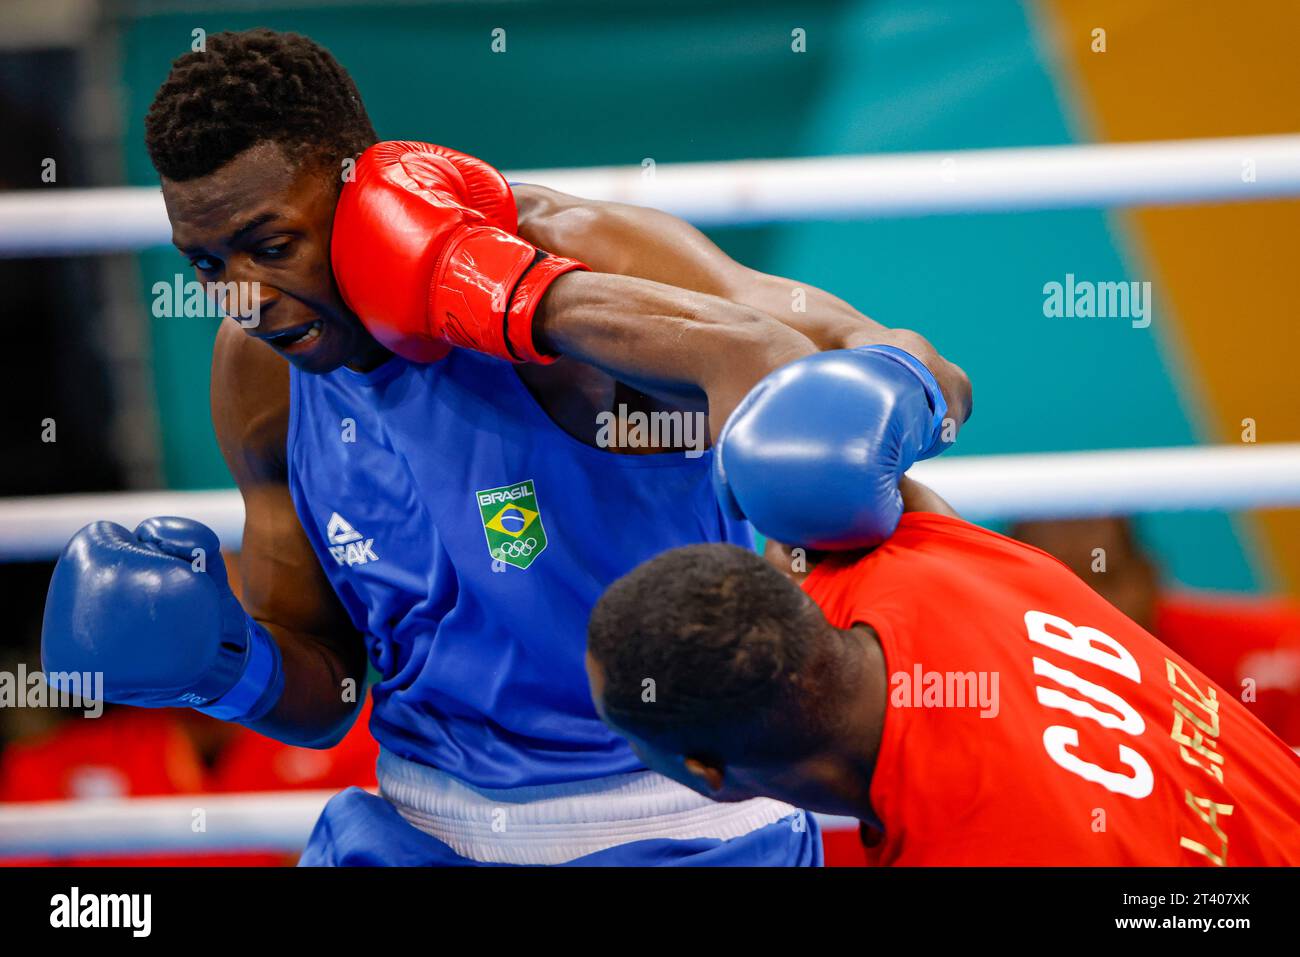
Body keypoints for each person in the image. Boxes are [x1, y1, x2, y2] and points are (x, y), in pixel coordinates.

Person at [40, 29, 970, 866]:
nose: (243, 295)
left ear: (359, 183)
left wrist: (895, 392)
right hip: (415, 828)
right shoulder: (257, 369)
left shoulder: (573, 248)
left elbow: (887, 358)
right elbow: (326, 698)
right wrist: (223, 665)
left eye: (271, 246)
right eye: (206, 265)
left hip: (681, 825)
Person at [586, 353, 1300, 865]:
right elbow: (903, 374)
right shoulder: (917, 559)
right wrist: (908, 375)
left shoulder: (972, 843)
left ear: (705, 776)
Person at [1011, 517, 1300, 747]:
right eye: (1053, 587)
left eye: (1104, 579)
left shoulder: (1273, 649)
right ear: (1004, 592)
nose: (1084, 607)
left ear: (1149, 578)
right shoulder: (990, 679)